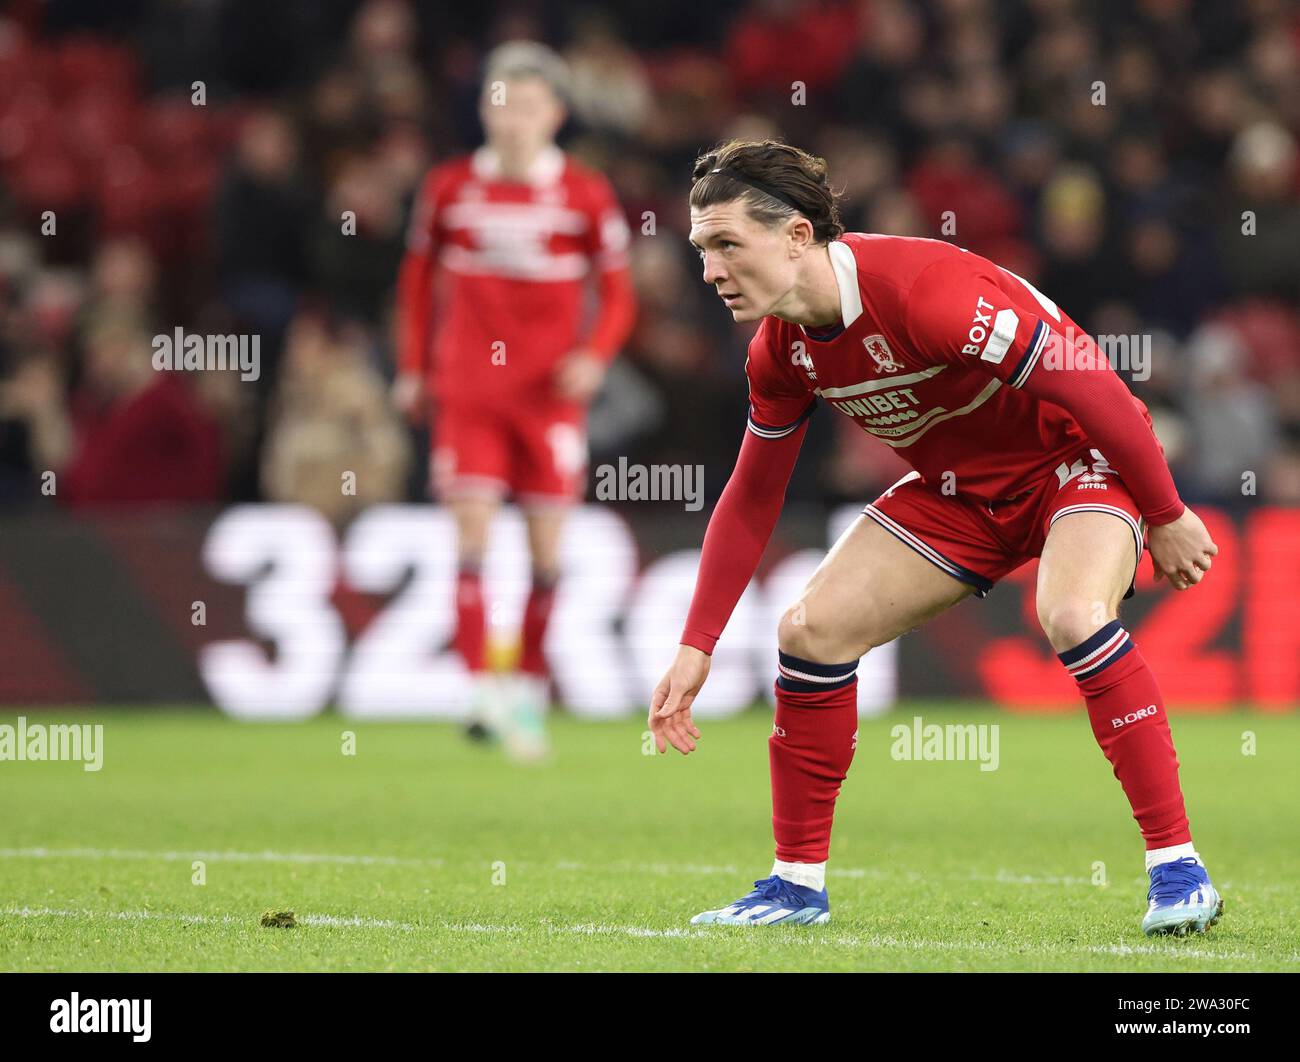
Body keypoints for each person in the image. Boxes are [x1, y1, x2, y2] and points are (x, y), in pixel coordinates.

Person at [649, 139, 1222, 937]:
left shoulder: (925, 294)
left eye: (725, 244)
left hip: (1074, 461)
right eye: (702, 249)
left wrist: (1166, 512)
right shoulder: (780, 352)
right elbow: (751, 496)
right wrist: (697, 641)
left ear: (796, 236)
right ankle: (795, 887)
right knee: (809, 632)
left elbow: (1097, 391)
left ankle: (1178, 868)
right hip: (964, 494)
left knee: (1072, 615)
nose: (709, 271)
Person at [394, 41, 636, 760]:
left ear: (555, 113)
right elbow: (414, 283)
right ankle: (481, 688)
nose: (512, 120)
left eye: (527, 106)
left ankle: (526, 692)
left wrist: (594, 360)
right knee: (469, 537)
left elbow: (619, 296)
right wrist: (413, 367)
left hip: (548, 398)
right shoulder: (448, 187)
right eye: (499, 104)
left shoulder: (586, 193)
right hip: (467, 388)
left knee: (545, 555)